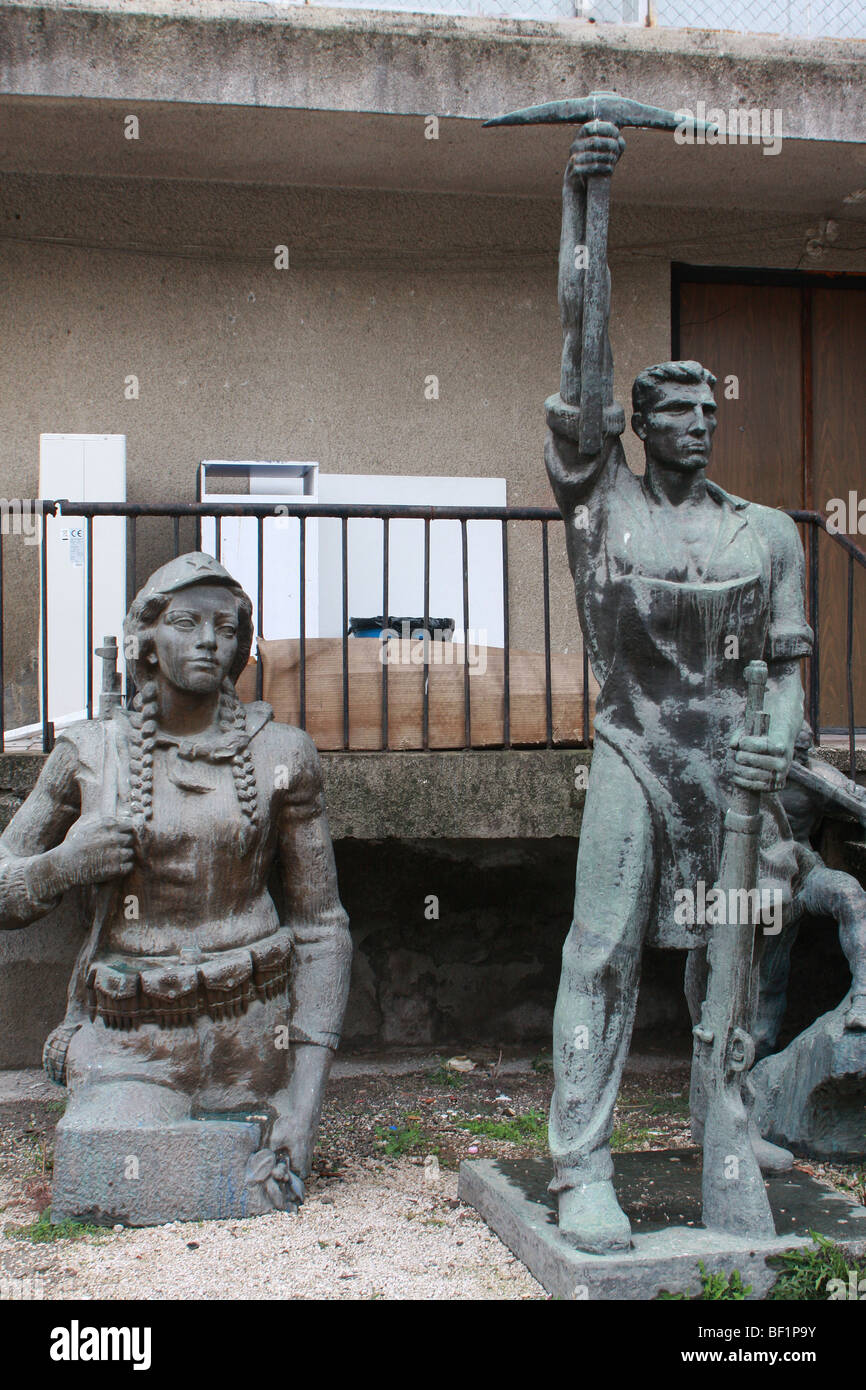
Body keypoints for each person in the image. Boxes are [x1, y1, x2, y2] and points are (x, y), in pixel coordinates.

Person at [544, 121, 812, 1253]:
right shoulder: (602, 503)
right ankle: (580, 1166)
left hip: (733, 765)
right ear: (636, 430)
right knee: (600, 950)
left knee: (734, 948)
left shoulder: (767, 534)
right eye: (673, 415)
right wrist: (588, 201)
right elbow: (582, 351)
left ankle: (721, 1119)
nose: (695, 426)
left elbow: (792, 666)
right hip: (632, 749)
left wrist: (780, 734)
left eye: (709, 412)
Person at [0, 552, 352, 1212]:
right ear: (147, 641)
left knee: (259, 1179)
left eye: (226, 627)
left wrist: (303, 1110)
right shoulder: (91, 750)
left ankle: (244, 1147)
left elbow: (321, 925)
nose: (208, 641)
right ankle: (208, 1156)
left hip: (253, 1036)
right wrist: (61, 866)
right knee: (101, 1170)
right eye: (186, 622)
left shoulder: (282, 754)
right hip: (134, 1037)